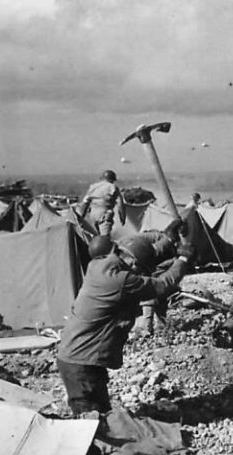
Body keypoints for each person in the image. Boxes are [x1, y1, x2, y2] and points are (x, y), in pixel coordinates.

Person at [57, 230, 195, 416]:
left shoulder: (98, 265)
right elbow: (161, 285)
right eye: (140, 270)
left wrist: (169, 237)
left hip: (79, 356)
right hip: (81, 362)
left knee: (104, 414)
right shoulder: (120, 280)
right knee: (91, 424)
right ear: (134, 263)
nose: (138, 274)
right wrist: (183, 260)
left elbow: (142, 251)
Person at [78, 170, 126, 236]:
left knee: (94, 237)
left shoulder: (93, 187)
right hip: (104, 214)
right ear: (112, 179)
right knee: (104, 240)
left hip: (92, 215)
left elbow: (85, 202)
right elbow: (120, 205)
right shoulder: (113, 187)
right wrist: (122, 218)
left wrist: (81, 218)